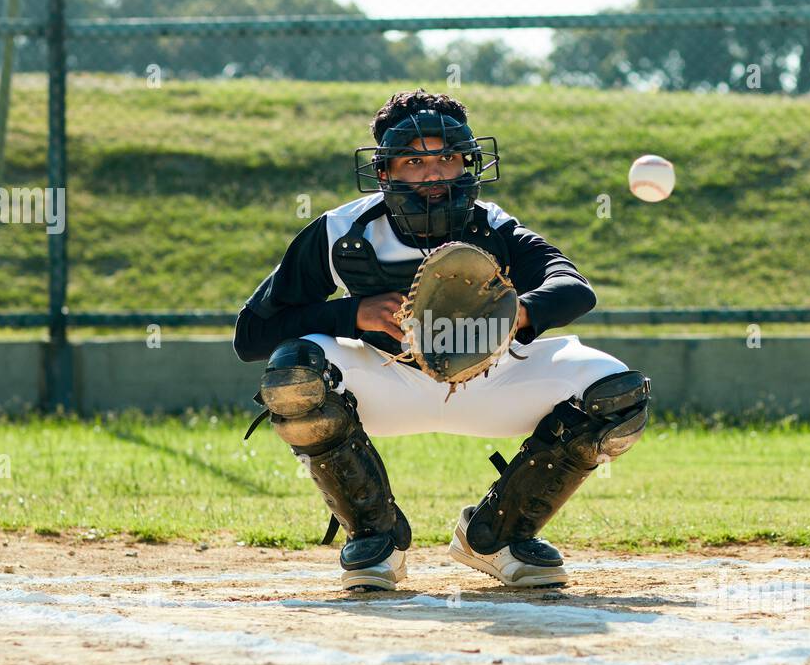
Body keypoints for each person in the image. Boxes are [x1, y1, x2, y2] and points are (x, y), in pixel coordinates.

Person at [235, 89, 649, 591]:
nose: (433, 174)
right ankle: (375, 537)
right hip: (387, 384)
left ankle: (499, 534)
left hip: (492, 384)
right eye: (414, 160)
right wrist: (352, 313)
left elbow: (573, 287)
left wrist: (517, 312)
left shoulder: (492, 225)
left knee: (617, 393)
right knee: (294, 372)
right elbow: (253, 334)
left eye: (448, 159)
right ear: (385, 170)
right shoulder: (342, 230)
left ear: (469, 165)